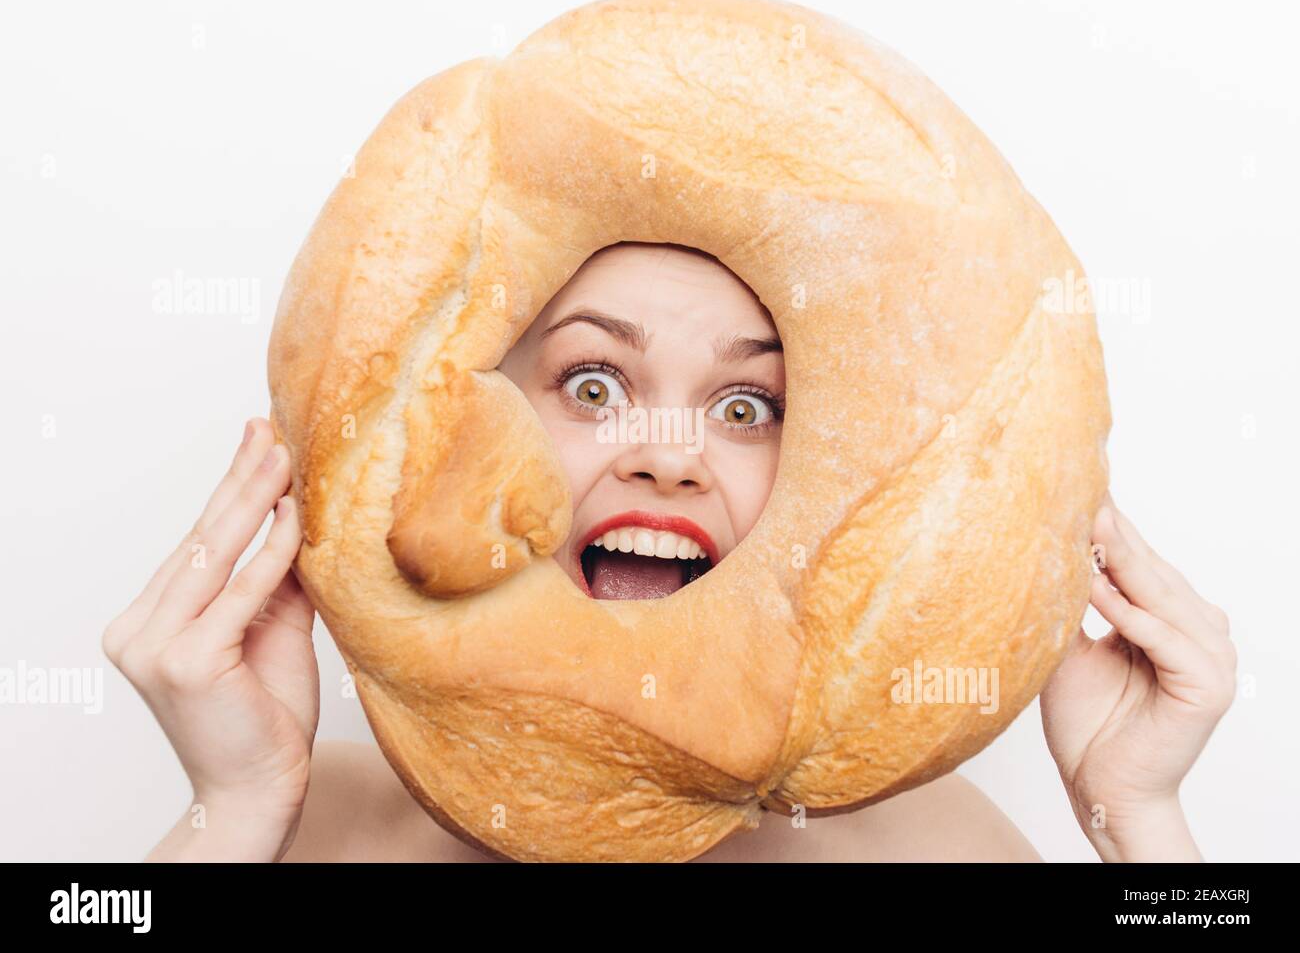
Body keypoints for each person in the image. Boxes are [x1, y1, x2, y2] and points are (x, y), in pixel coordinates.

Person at [104, 242, 1236, 862]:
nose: (669, 457)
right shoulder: (309, 818)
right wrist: (232, 811)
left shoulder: (929, 841)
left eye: (747, 408)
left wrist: (1139, 824)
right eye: (592, 385)